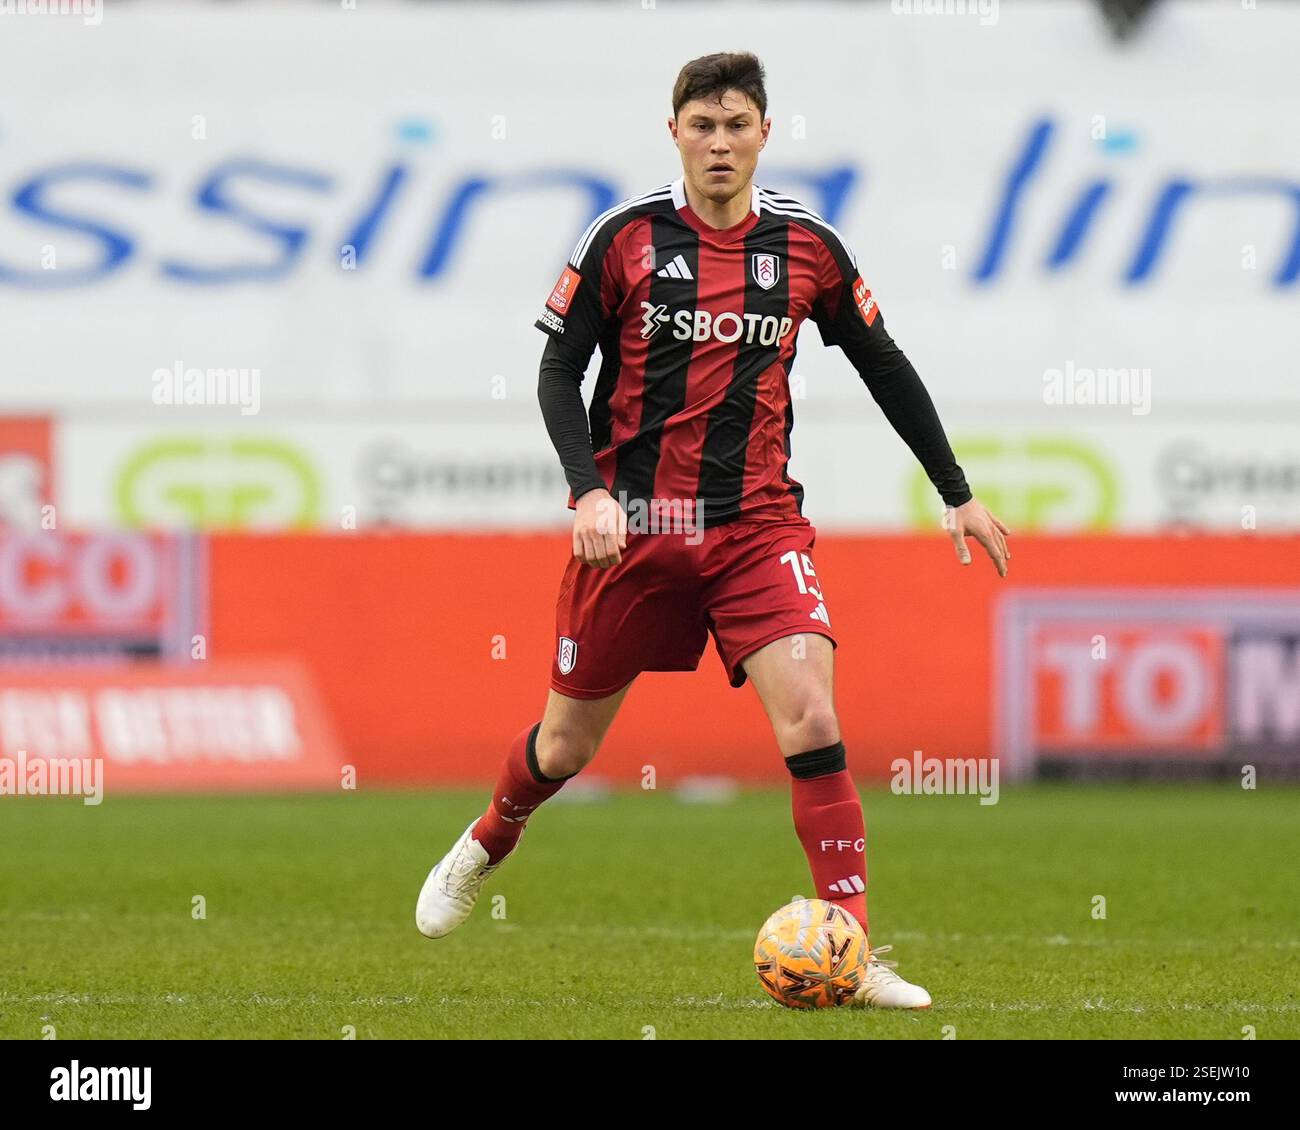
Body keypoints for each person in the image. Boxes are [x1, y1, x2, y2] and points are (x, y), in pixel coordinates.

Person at [416, 51, 1010, 1009]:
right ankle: (488, 838)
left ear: (764, 134)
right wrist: (588, 493)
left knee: (813, 715)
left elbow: (883, 363)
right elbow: (555, 374)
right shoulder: (624, 238)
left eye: (738, 126)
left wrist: (957, 490)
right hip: (637, 526)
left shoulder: (809, 247)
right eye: (703, 126)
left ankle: (850, 949)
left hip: (756, 526)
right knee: (565, 747)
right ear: (676, 132)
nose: (720, 143)